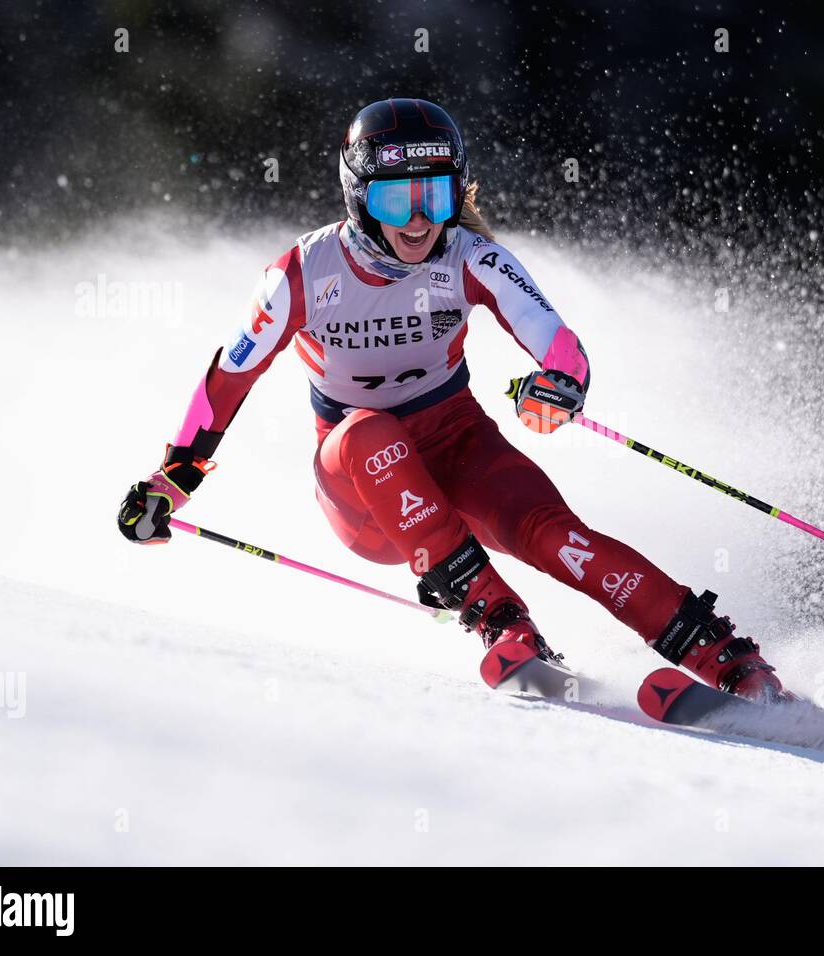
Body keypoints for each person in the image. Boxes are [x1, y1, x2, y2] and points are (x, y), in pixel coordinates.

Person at [117, 98, 786, 702]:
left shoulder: (468, 255)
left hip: (459, 443)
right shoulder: (303, 272)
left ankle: (731, 664)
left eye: (433, 199)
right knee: (366, 432)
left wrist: (560, 385)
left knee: (560, 540)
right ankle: (502, 623)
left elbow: (556, 340)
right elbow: (227, 378)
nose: (417, 222)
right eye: (394, 202)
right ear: (358, 200)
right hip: (362, 491)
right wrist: (174, 478)